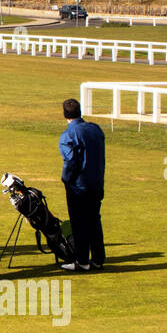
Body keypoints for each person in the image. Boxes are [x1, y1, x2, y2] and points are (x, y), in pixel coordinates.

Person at [59, 98, 105, 272]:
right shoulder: (95, 129)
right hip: (97, 184)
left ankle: (82, 260)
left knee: (79, 224)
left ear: (65, 115)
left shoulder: (68, 135)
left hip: (79, 187)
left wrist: (66, 179)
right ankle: (98, 259)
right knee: (94, 221)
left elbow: (70, 162)